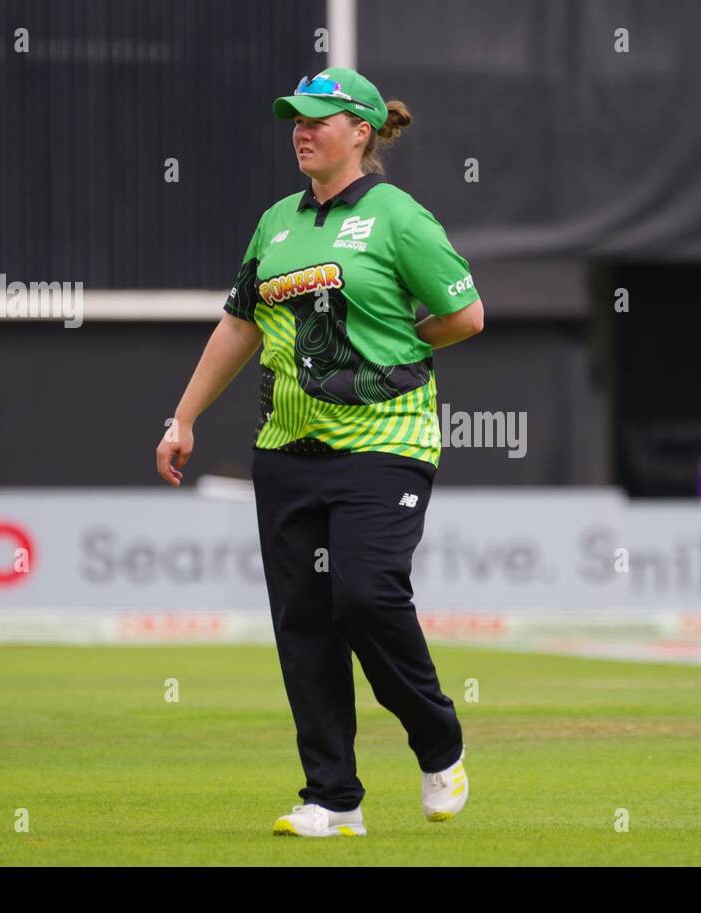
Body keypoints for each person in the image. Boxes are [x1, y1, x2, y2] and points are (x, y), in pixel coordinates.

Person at [155, 67, 484, 837]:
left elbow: (463, 314)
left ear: (362, 131)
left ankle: (438, 742)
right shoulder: (275, 222)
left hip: (385, 440)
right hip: (286, 450)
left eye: (318, 120)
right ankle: (333, 800)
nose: (301, 131)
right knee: (304, 625)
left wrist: (401, 347)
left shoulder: (399, 217)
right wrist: (184, 417)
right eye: (295, 120)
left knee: (365, 596)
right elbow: (239, 324)